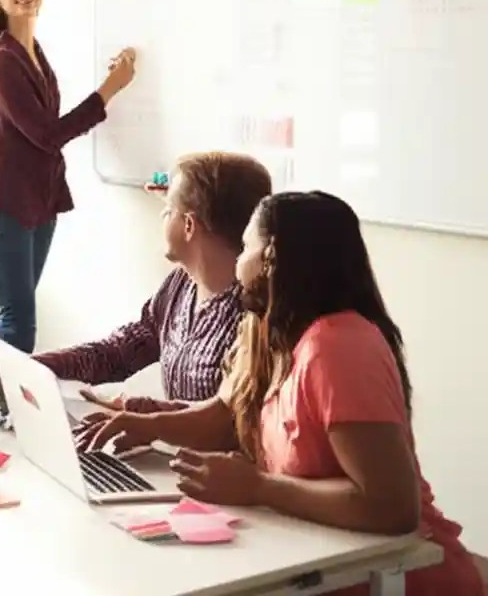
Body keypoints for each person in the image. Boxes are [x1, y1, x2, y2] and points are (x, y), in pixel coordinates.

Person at [85, 192, 483, 595]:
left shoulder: (339, 345)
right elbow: (225, 417)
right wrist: (149, 425)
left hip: (396, 577)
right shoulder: (266, 332)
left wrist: (258, 486)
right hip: (319, 564)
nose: (238, 264)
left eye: (245, 249)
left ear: (271, 258)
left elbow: (391, 506)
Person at [0, 0, 137, 354]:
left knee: (16, 312)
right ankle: (7, 413)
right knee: (19, 318)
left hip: (39, 199)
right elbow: (47, 134)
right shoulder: (0, 59)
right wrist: (109, 88)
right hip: (6, 202)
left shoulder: (32, 51)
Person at [35, 152, 272, 410]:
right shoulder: (181, 284)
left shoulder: (252, 314)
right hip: (172, 446)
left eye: (169, 209)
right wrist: (44, 365)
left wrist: (144, 415)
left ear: (189, 225)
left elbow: (229, 422)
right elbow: (124, 350)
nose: (162, 216)